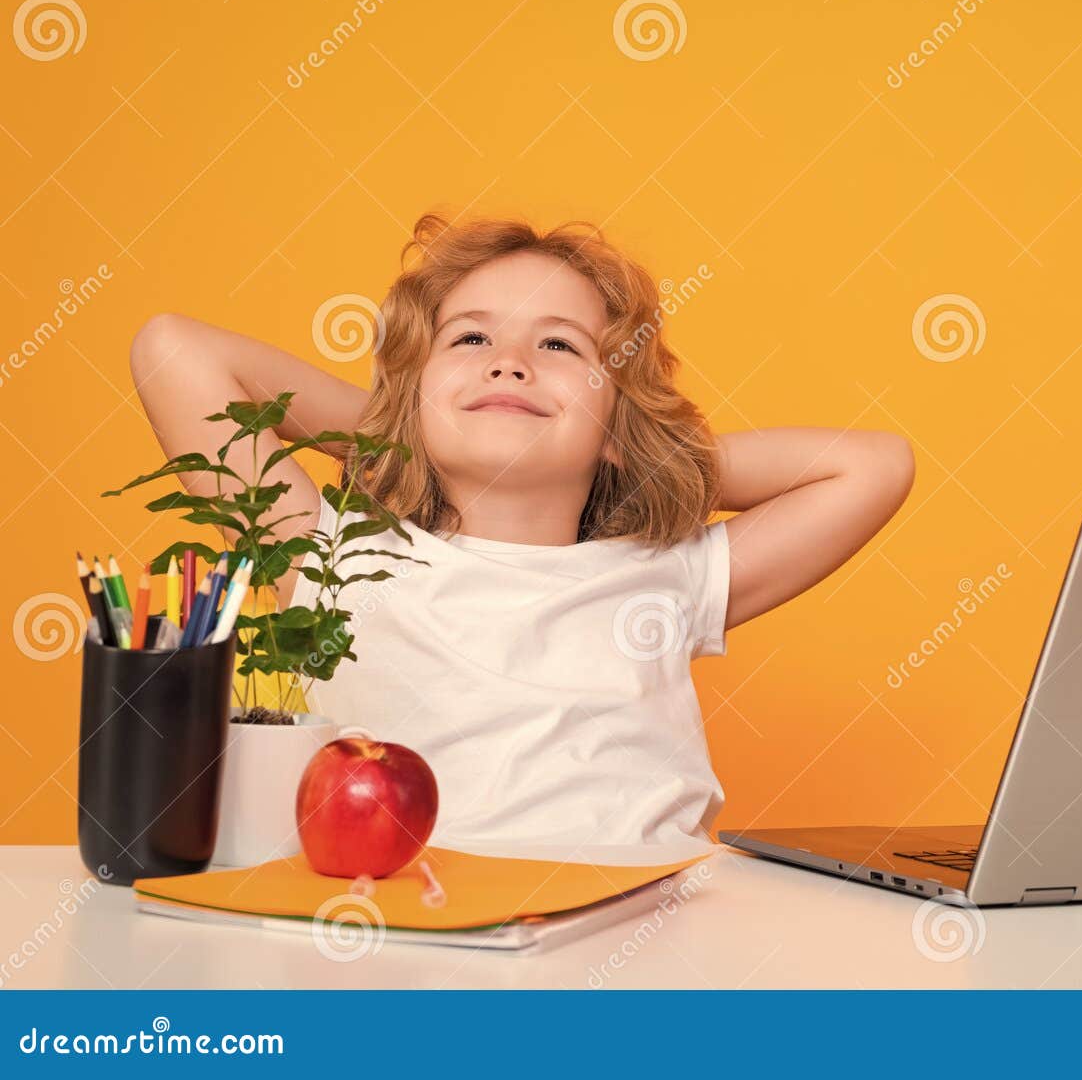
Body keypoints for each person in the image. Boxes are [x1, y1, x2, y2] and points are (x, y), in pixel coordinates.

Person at [128, 213, 914, 858]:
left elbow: (874, 466)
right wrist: (396, 429)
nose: (508, 363)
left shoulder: (660, 575)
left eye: (559, 345)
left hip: (649, 938)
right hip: (414, 940)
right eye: (469, 340)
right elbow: (173, 350)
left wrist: (647, 451)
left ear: (616, 424)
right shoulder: (338, 560)